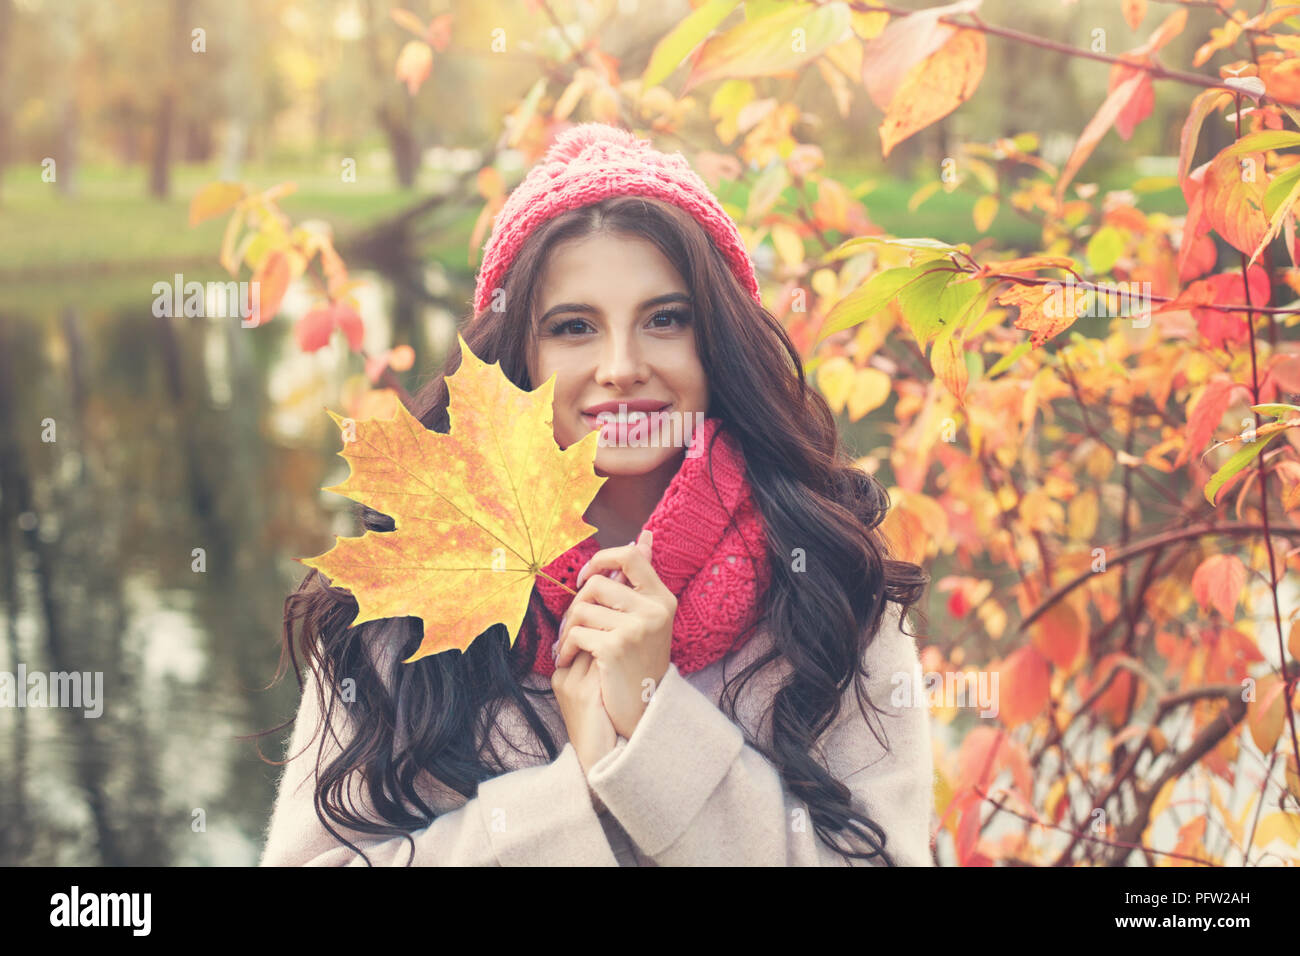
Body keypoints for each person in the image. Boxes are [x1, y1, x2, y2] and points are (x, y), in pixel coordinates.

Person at [257, 122, 935, 866]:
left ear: (719, 343)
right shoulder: (407, 584)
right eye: (574, 327)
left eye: (665, 320)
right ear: (517, 354)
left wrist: (655, 728)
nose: (621, 367)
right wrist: (574, 794)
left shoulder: (832, 576)